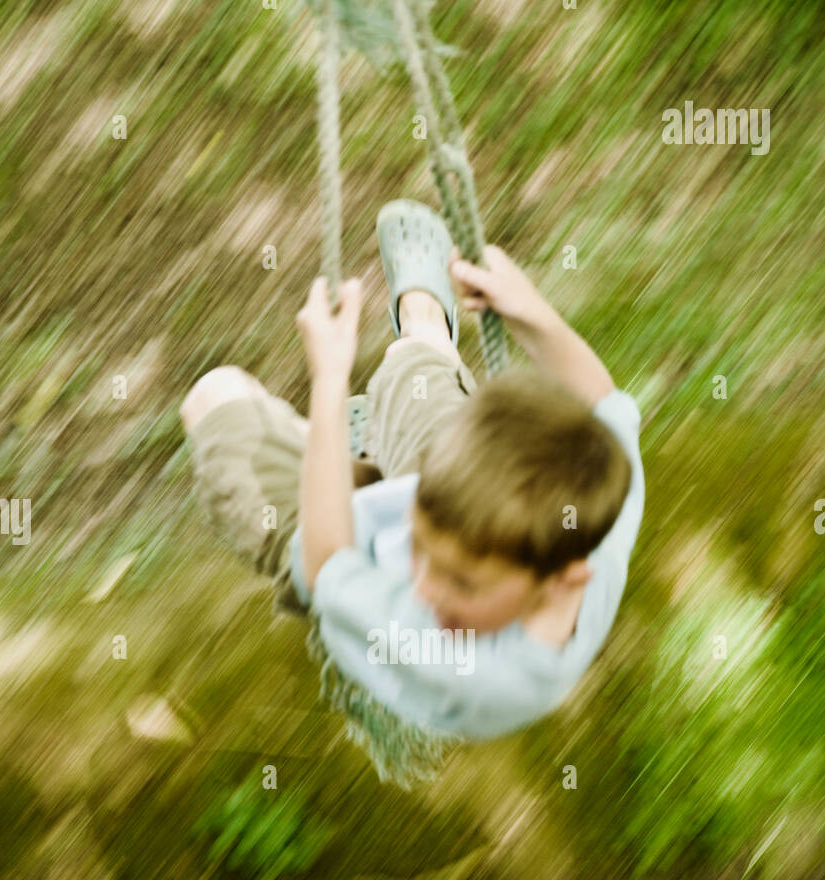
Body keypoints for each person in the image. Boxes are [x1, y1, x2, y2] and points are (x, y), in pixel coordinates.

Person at [180, 199, 645, 740]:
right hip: (426, 494)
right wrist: (529, 310)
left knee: (214, 396)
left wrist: (329, 378)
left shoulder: (460, 662)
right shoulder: (593, 508)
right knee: (421, 372)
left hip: (336, 546)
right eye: (421, 551)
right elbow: (605, 403)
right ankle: (423, 327)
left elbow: (327, 559)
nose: (425, 585)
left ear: (564, 580)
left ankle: (339, 451)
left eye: (462, 582)